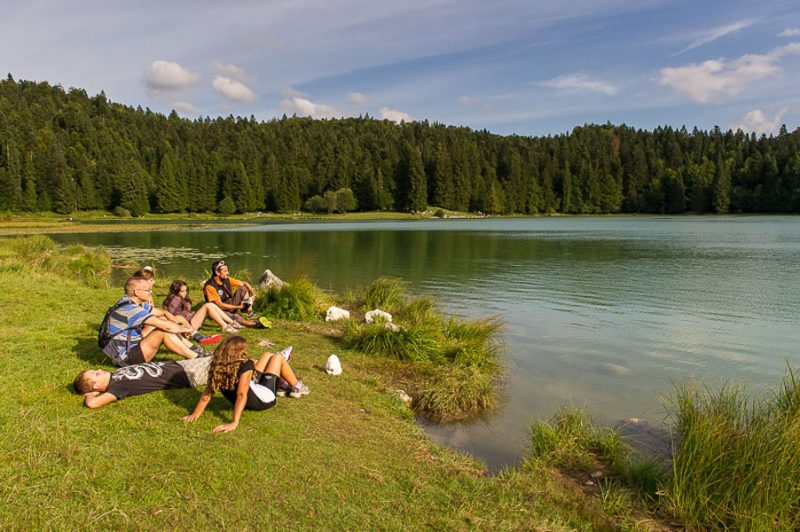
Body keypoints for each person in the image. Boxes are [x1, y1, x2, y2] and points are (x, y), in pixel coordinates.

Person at [182, 336, 309, 433]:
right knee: (277, 358)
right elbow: (242, 394)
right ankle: (297, 387)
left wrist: (195, 414)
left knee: (267, 355)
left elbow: (208, 392)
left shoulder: (218, 366)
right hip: (263, 399)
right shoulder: (246, 364)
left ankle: (282, 384)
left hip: (253, 389)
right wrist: (234, 422)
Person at [101, 276, 209, 367]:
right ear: (137, 292)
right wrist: (184, 329)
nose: (151, 292)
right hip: (125, 357)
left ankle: (194, 349)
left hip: (130, 344)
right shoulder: (130, 309)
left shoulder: (131, 303)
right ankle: (196, 358)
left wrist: (179, 326)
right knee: (162, 331)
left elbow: (162, 313)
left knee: (163, 322)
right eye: (148, 290)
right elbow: (166, 327)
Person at [73, 356, 212, 409]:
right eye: (96, 374)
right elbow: (93, 404)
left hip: (179, 364)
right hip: (185, 375)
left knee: (223, 353)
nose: (99, 369)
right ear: (96, 386)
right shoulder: (118, 387)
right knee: (226, 359)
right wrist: (90, 395)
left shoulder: (115, 374)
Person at [203, 260, 268, 328]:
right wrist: (239, 307)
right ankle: (256, 324)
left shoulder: (226, 279)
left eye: (227, 270)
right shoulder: (210, 286)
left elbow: (244, 283)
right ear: (217, 272)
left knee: (243, 288)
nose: (228, 273)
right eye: (225, 271)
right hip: (218, 310)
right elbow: (221, 305)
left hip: (228, 303)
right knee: (235, 317)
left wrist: (253, 294)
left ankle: (249, 312)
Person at [164, 280, 241, 334]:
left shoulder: (180, 298)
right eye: (182, 291)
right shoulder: (176, 299)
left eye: (186, 290)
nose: (185, 293)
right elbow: (171, 315)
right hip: (188, 324)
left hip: (191, 319)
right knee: (207, 305)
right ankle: (225, 326)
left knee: (210, 305)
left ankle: (231, 323)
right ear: (176, 291)